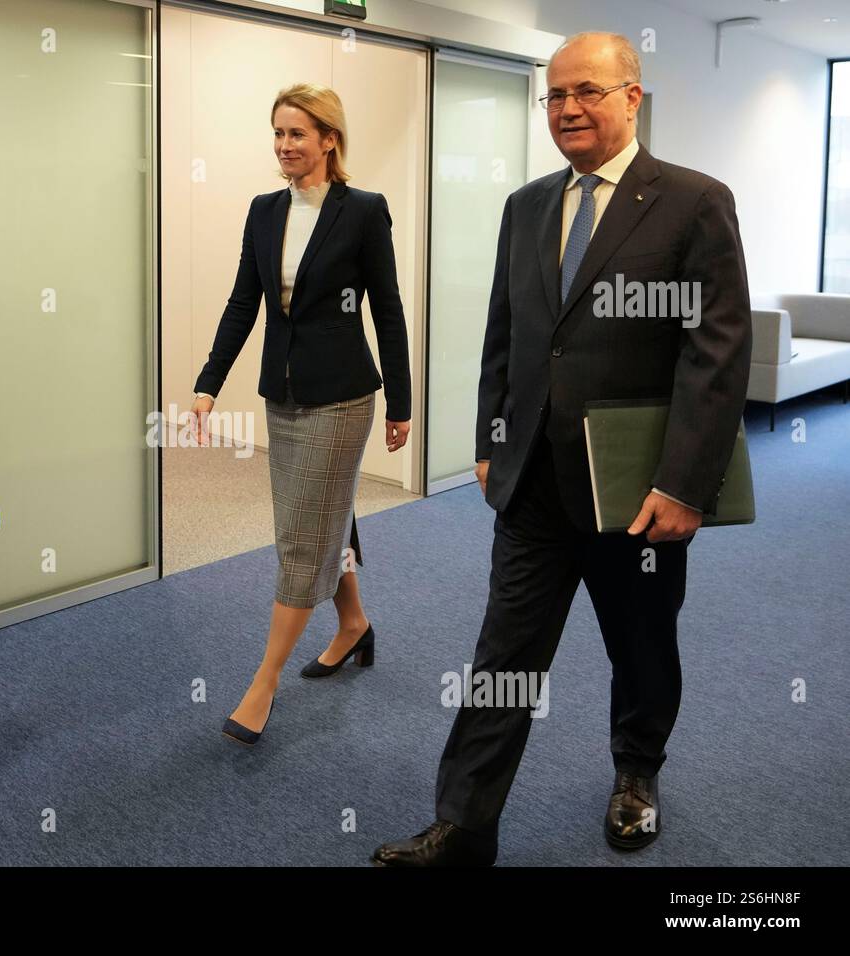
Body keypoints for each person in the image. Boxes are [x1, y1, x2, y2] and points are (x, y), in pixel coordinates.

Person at [373, 32, 751, 864]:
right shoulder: (529, 204)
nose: (568, 108)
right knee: (502, 654)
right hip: (534, 483)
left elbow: (715, 353)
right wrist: (488, 440)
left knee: (642, 644)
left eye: (587, 91)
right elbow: (506, 338)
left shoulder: (693, 201)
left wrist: (686, 484)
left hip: (634, 491)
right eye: (554, 96)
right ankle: (466, 826)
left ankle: (637, 774)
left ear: (632, 96)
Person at [189, 83, 412, 745]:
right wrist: (207, 384)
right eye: (278, 134)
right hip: (281, 397)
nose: (285, 146)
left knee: (297, 538)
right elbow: (241, 305)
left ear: (329, 140)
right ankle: (353, 625)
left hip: (342, 397)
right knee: (320, 518)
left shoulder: (363, 212)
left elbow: (388, 311)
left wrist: (401, 403)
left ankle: (264, 681)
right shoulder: (264, 212)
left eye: (298, 134)